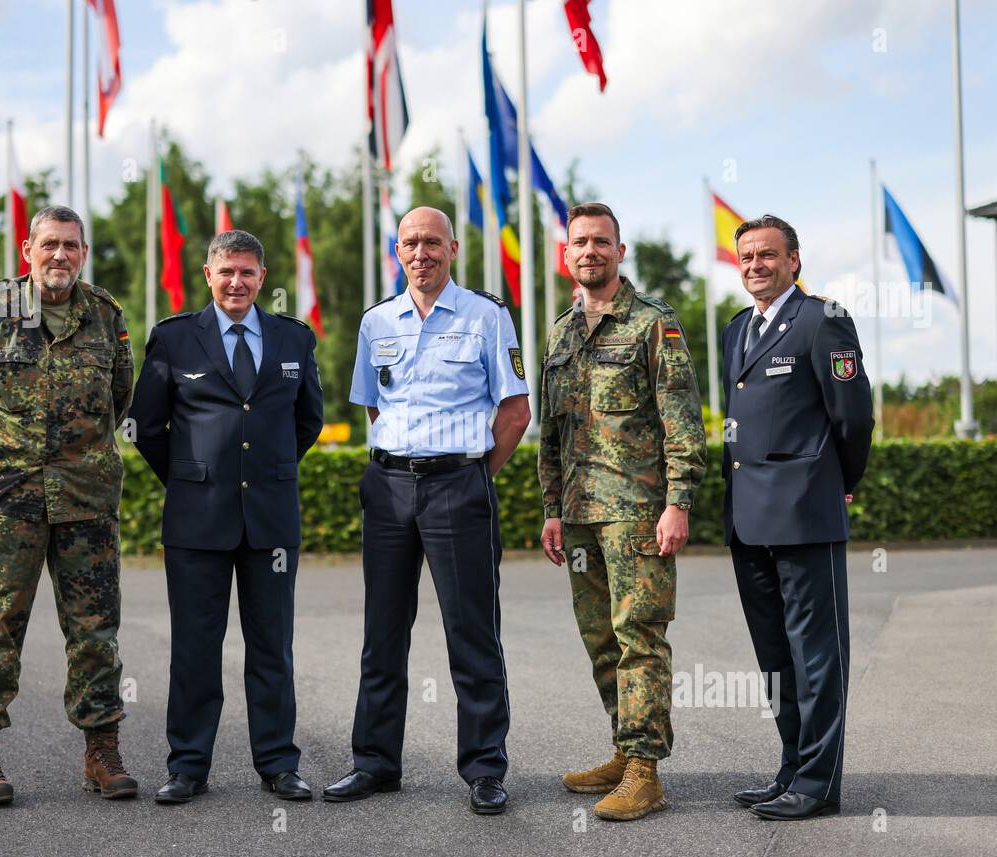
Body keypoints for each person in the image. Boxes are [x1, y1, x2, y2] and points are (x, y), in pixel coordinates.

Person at [324, 207, 530, 815]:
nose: (422, 253)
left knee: (472, 632)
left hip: (457, 488)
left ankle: (485, 769)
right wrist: (405, 463)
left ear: (453, 249)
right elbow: (373, 408)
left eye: (432, 243)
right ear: (397, 250)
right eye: (411, 243)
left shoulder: (486, 316)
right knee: (382, 632)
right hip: (387, 488)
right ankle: (375, 762)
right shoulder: (374, 322)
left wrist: (469, 476)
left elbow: (514, 413)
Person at [0, 204, 137, 806]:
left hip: (87, 501)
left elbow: (120, 398)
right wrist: (1, 459)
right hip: (8, 506)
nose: (60, 256)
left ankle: (101, 752)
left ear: (83, 252)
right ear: (28, 250)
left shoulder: (105, 316)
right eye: (49, 244)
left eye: (72, 246)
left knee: (95, 631)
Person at [130, 229, 324, 805]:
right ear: (208, 276)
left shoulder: (295, 339)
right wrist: (192, 478)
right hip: (196, 522)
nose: (236, 282)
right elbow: (146, 426)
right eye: (226, 272)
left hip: (271, 522)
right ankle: (188, 766)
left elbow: (307, 422)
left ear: (262, 278)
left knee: (273, 648)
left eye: (247, 272)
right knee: (194, 648)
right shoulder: (174, 339)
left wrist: (267, 471)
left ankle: (278, 764)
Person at [538, 202, 706, 821]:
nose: (590, 252)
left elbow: (683, 424)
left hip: (638, 513)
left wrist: (678, 503)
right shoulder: (559, 335)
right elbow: (551, 438)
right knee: (600, 637)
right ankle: (620, 747)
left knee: (640, 637)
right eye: (580, 242)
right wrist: (553, 510)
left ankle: (644, 771)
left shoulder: (653, 325)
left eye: (601, 242)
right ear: (566, 255)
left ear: (619, 251)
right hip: (580, 517)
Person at [722, 214, 873, 820]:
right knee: (777, 658)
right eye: (747, 257)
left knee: (816, 656)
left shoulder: (823, 321)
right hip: (748, 519)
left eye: (767, 255)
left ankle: (818, 784)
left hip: (806, 512)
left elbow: (853, 417)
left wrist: (840, 482)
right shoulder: (737, 331)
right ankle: (791, 768)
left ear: (794, 261)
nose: (755, 265)